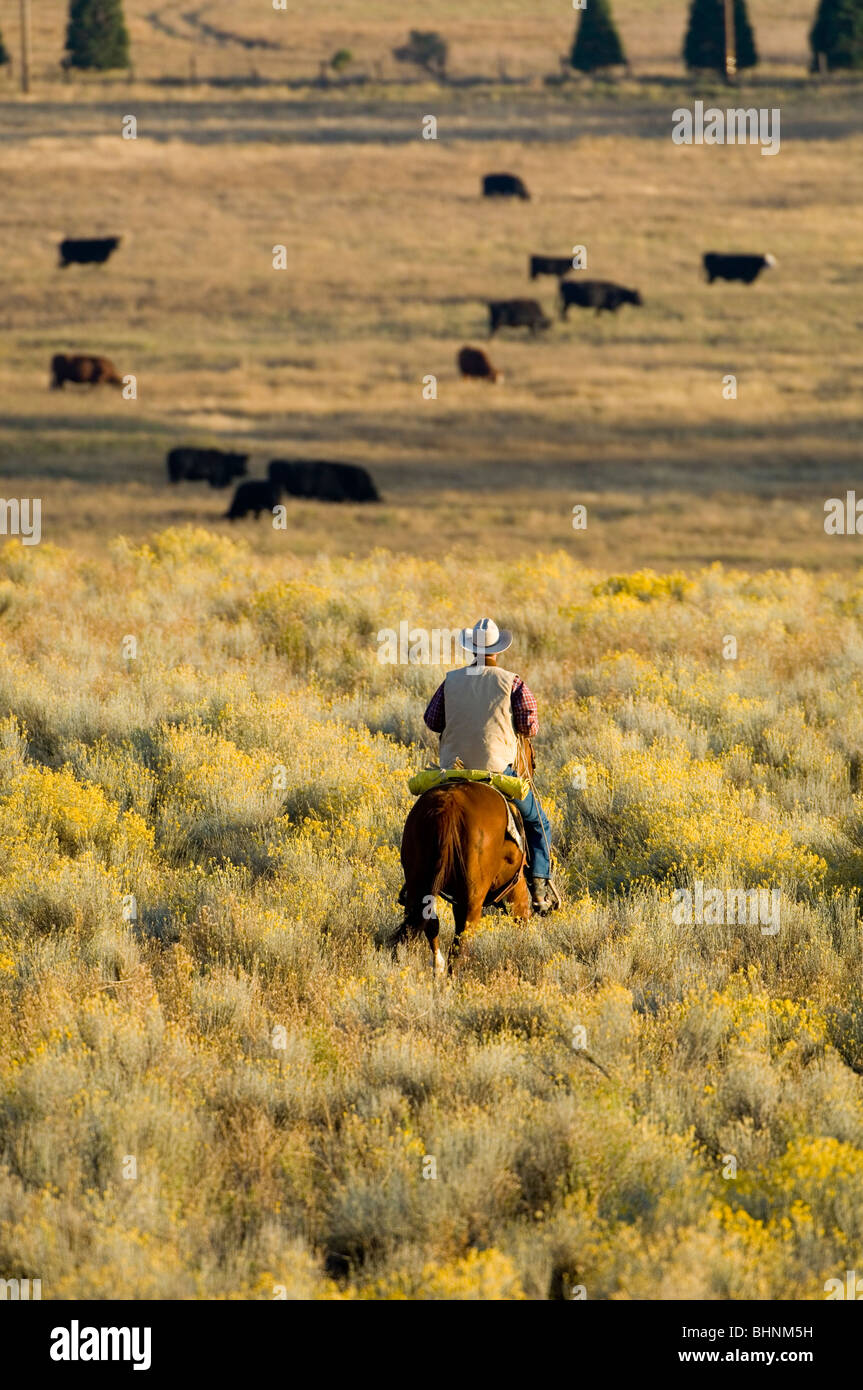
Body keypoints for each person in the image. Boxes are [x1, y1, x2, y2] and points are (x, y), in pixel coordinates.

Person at [423, 617, 554, 915]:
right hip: (497, 770)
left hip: (452, 770)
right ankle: (538, 889)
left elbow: (432, 721)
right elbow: (529, 725)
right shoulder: (512, 681)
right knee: (539, 823)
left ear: (471, 649)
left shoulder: (451, 680)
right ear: (497, 651)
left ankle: (414, 885)